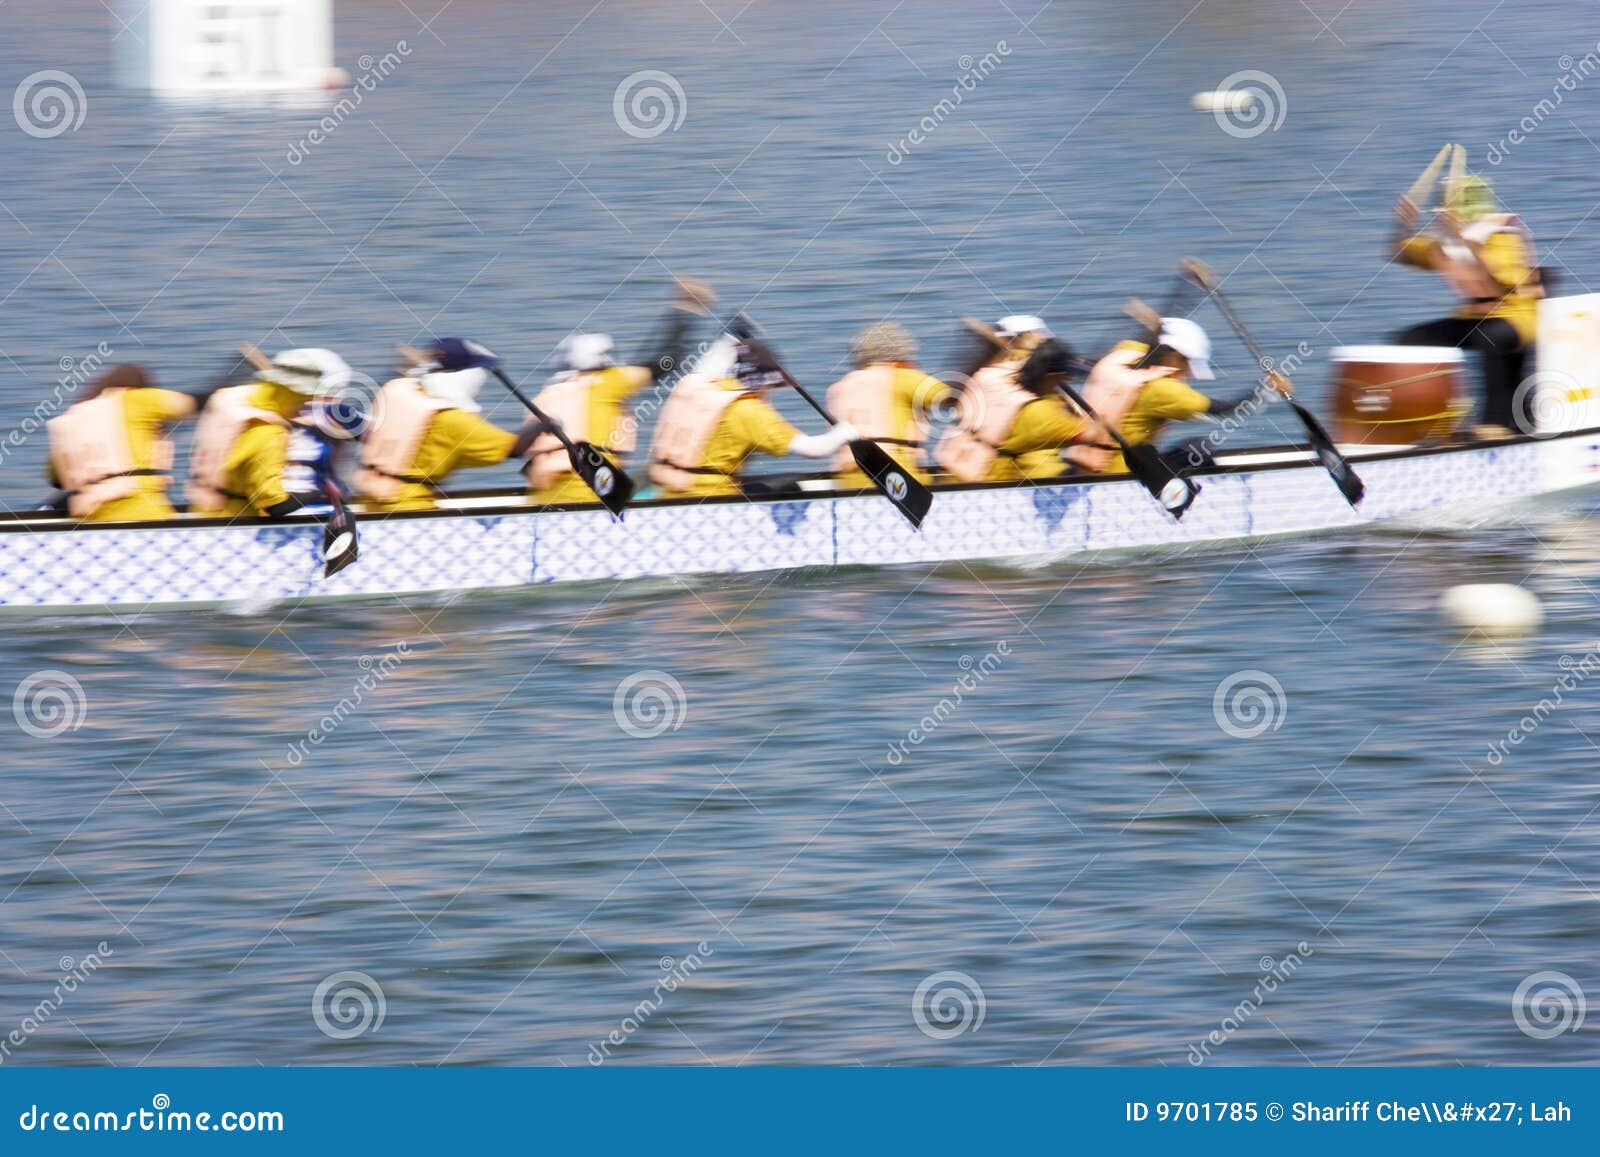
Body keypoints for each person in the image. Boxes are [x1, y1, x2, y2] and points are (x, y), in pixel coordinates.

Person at [524, 277, 716, 505]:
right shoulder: (606, 382)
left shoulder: (548, 394)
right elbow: (666, 362)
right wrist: (686, 309)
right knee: (656, 480)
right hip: (594, 494)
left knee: (644, 477)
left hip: (543, 498)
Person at [1389, 172, 1541, 432]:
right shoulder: (1445, 239)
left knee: (1490, 338)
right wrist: (1404, 224)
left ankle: (1494, 424)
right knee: (1410, 339)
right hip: (1473, 319)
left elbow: (1495, 280)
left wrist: (1461, 237)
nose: (1441, 216)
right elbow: (1400, 254)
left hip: (1517, 318)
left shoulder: (1500, 233)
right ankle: (1423, 421)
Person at [646, 326, 858, 498]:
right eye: (772, 387)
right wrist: (847, 431)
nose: (770, 395)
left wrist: (731, 336)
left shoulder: (700, 391)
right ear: (763, 382)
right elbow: (814, 449)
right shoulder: (749, 411)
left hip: (668, 493)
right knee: (792, 488)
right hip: (712, 498)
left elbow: (710, 362)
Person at [356, 338, 540, 513]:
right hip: (408, 507)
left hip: (369, 502)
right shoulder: (450, 419)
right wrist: (543, 425)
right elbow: (513, 448)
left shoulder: (393, 394)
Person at [187, 348, 354, 519]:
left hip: (208, 507)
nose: (304, 407)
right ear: (290, 395)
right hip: (238, 520)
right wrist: (322, 493)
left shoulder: (235, 405)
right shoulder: (269, 433)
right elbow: (276, 505)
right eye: (303, 400)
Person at [1076, 318, 1250, 474]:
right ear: (1174, 355)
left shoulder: (1123, 355)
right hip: (1125, 473)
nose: (1188, 373)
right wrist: (1266, 388)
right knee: (1200, 448)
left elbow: (1149, 336)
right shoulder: (1163, 389)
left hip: (1089, 464)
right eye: (1187, 364)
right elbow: (1226, 410)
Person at [936, 315, 1087, 482]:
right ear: (1029, 337)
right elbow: (1071, 428)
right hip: (1034, 471)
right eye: (1041, 337)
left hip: (958, 464)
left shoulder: (984, 374)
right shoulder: (1037, 381)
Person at [45, 364, 199, 522]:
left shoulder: (74, 417)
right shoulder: (135, 399)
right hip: (146, 516)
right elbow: (192, 404)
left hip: (88, 522)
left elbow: (56, 479)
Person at [824, 321, 951, 489]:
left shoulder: (839, 387)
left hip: (849, 482)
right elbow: (951, 397)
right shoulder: (903, 377)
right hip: (897, 479)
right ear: (898, 357)